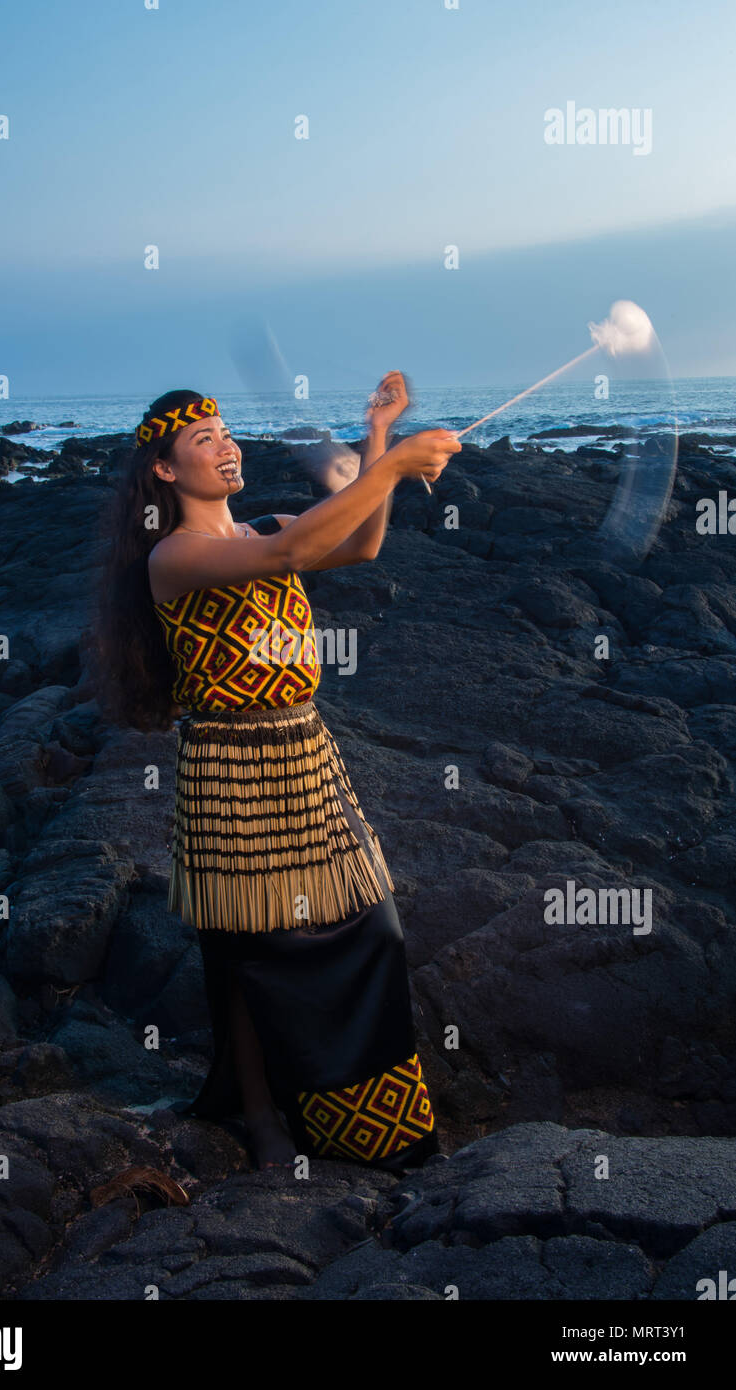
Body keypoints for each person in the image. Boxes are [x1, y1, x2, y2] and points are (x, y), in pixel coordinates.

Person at [94, 376, 461, 1170]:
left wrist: (376, 436)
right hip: (231, 769)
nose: (226, 448)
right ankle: (261, 1118)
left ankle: (364, 1127)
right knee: (251, 948)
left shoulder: (270, 523)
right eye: (204, 442)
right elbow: (286, 556)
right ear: (164, 471)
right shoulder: (176, 556)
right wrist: (392, 466)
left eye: (226, 433)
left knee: (372, 930)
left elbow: (359, 542)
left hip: (306, 755)